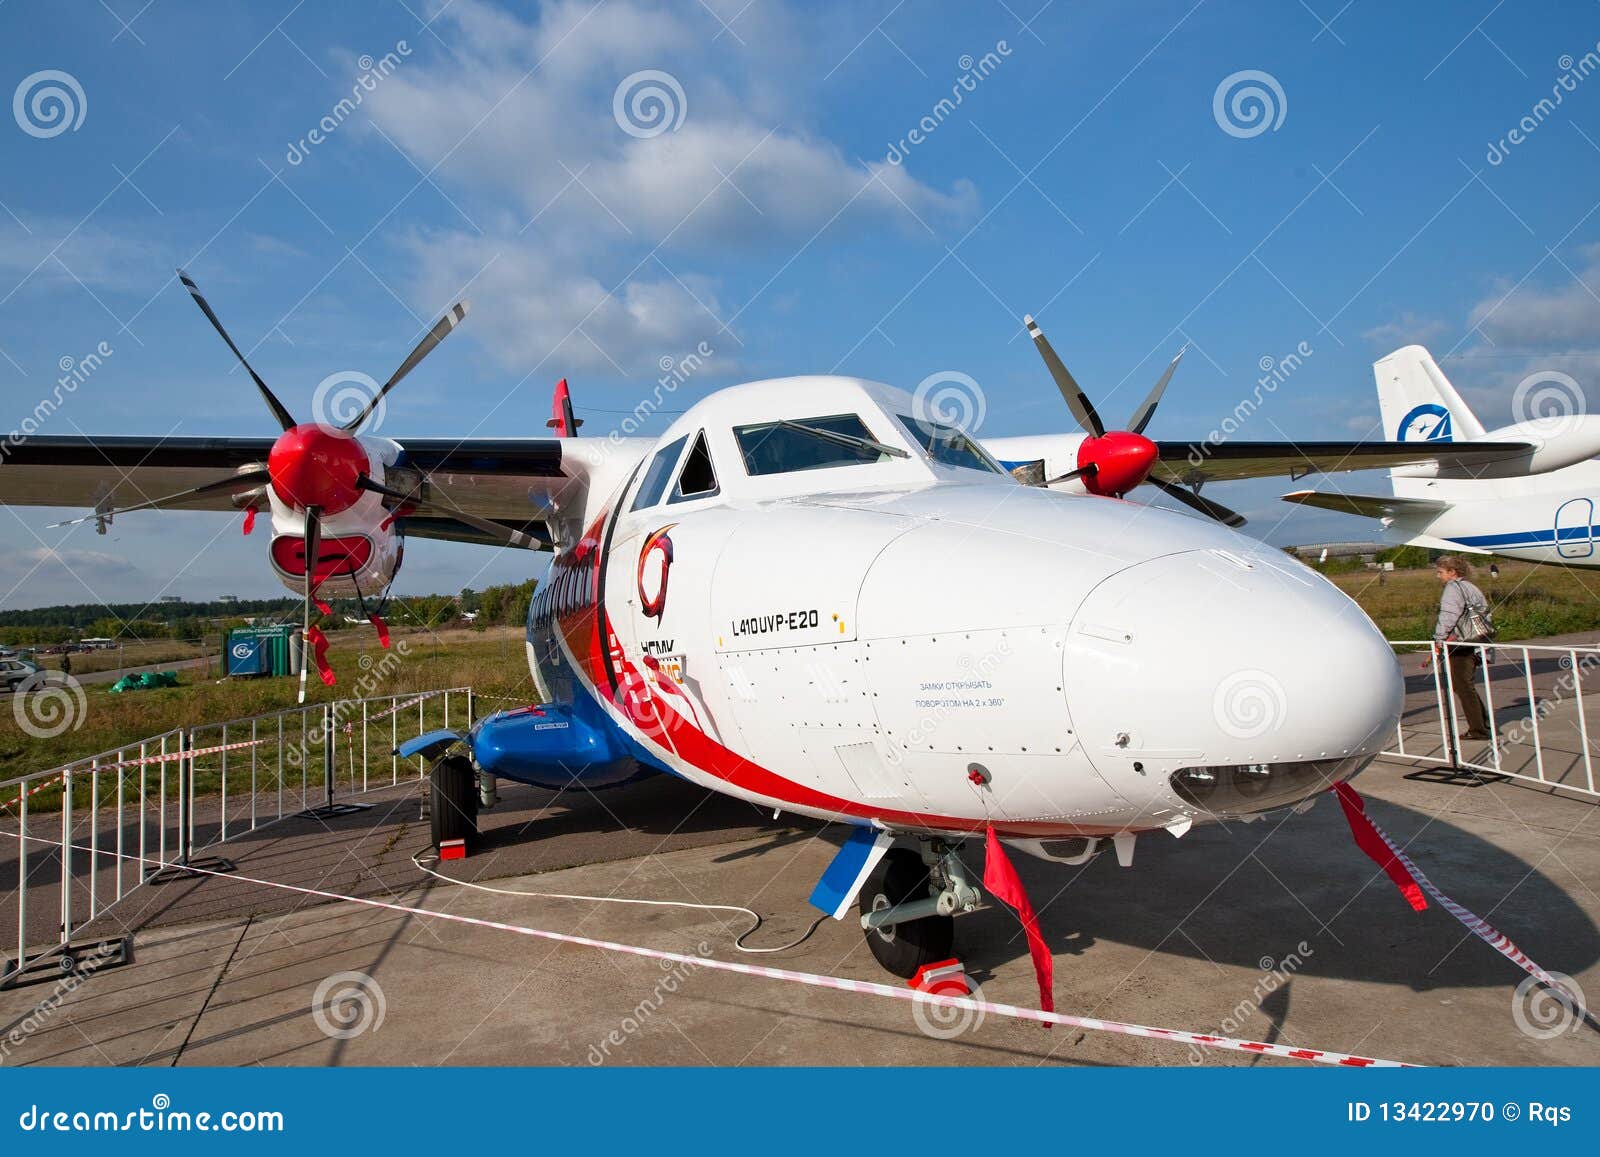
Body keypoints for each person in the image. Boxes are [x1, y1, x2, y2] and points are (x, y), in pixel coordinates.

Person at [1428, 555, 1490, 740]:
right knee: (1465, 685)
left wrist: (1439, 638)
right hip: (1477, 640)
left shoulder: (1453, 588)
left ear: (1452, 572)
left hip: (1461, 643)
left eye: (1440, 572)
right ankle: (1482, 723)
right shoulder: (1471, 587)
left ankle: (1478, 729)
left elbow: (1449, 615)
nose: (1438, 576)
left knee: (1463, 686)